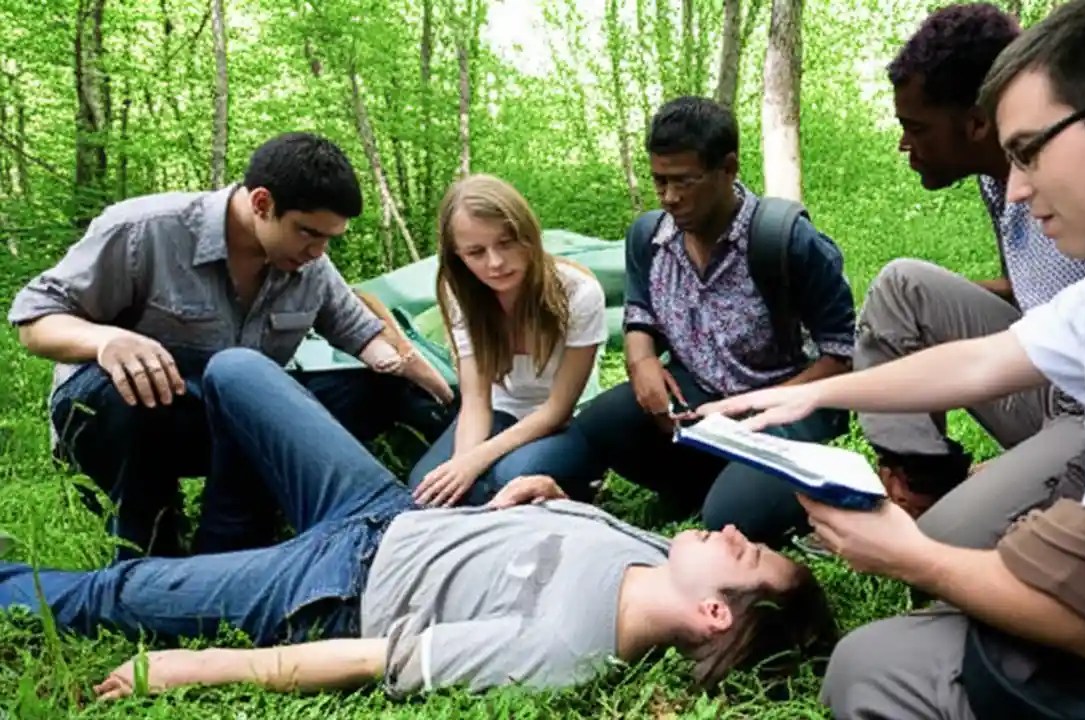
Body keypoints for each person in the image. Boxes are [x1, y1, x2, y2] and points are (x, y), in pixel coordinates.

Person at [702, 0, 1085, 716]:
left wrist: (910, 555)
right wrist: (817, 395)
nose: (1017, 186)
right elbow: (995, 357)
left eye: (1031, 151)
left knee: (874, 665)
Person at [0, 348, 836, 702]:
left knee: (116, 593)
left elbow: (373, 658)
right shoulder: (663, 554)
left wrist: (195, 668)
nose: (733, 534)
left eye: (747, 555)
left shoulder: (561, 648)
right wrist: (547, 498)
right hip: (382, 512)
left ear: (714, 614)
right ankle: (231, 535)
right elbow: (566, 533)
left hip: (332, 587)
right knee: (236, 370)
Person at [7, 132, 455, 560]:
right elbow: (32, 318)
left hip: (231, 420)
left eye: (327, 239)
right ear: (262, 203)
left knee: (371, 390)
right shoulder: (146, 230)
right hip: (134, 413)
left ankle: (237, 541)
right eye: (307, 233)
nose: (318, 251)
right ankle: (148, 538)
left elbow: (361, 331)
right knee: (127, 390)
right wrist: (105, 339)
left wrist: (427, 379)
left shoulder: (309, 264)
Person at [856, 2, 1085, 548]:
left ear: (976, 122)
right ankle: (922, 483)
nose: (904, 144)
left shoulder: (1078, 174)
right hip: (1042, 373)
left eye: (916, 127)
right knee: (902, 288)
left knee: (945, 540)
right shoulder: (997, 179)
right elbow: (1045, 287)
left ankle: (951, 516)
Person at [567, 96, 858, 547]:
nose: (669, 197)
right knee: (604, 421)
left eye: (686, 181)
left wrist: (754, 407)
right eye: (659, 181)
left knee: (731, 517)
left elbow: (843, 357)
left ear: (728, 168)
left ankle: (749, 489)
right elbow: (641, 314)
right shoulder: (649, 237)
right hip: (702, 394)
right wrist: (641, 360)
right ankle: (706, 481)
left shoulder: (786, 242)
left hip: (789, 402)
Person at [408, 174, 608, 507]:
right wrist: (461, 466)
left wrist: (476, 462)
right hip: (500, 414)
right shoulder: (460, 297)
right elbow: (475, 403)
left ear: (528, 234)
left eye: (506, 242)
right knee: (428, 489)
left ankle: (577, 486)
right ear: (458, 257)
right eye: (476, 252)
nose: (496, 263)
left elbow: (557, 410)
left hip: (566, 423)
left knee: (510, 478)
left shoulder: (578, 293)